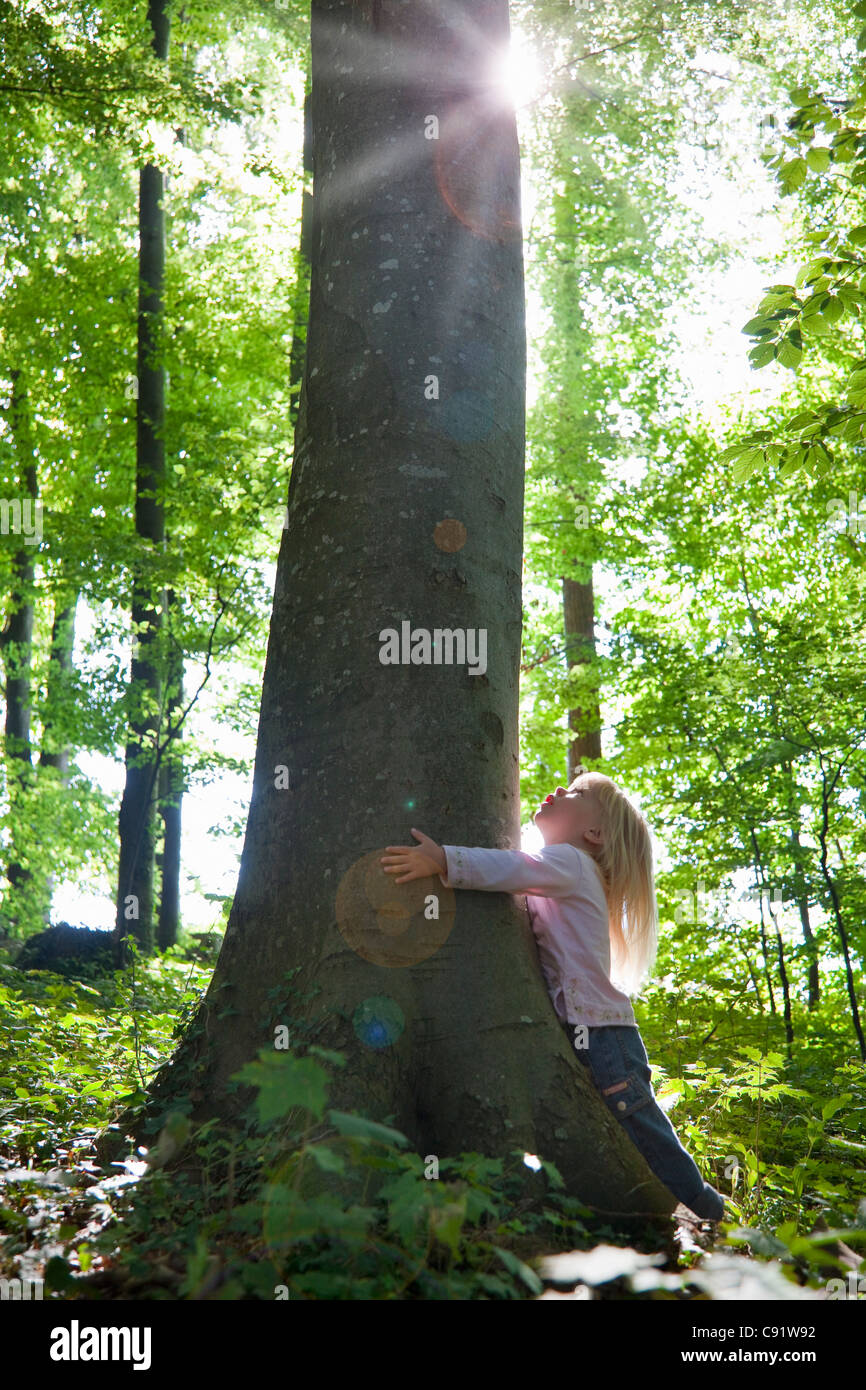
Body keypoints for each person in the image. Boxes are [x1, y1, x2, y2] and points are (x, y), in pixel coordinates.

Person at [380, 770, 728, 1222]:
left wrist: (443, 860)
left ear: (593, 833)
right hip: (600, 1032)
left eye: (577, 793)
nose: (562, 789)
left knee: (643, 1129)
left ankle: (707, 1208)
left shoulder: (571, 862)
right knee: (634, 1126)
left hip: (603, 1036)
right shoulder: (572, 869)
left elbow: (512, 869)